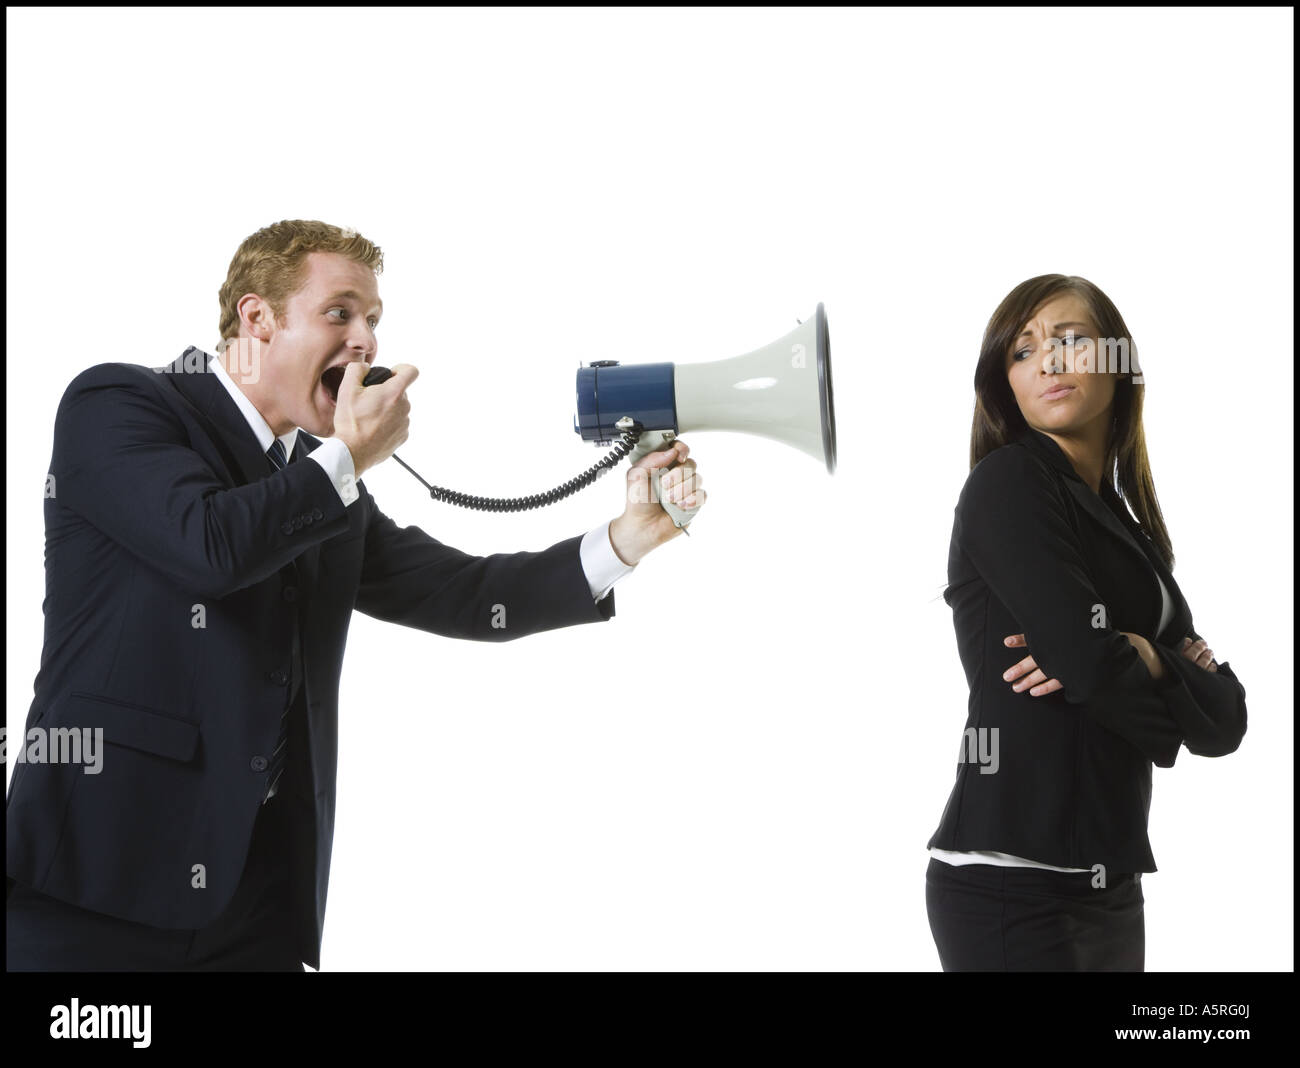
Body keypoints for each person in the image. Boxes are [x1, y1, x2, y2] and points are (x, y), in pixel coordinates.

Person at [5, 219, 706, 971]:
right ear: (257, 319)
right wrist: (346, 459)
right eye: (340, 313)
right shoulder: (121, 405)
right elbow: (209, 547)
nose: (366, 341)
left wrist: (626, 539)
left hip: (256, 900)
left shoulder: (321, 479)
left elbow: (459, 591)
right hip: (95, 887)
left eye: (373, 320)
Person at [924, 275, 1246, 971]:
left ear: (1116, 361)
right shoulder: (1009, 482)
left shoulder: (1135, 536)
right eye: (1022, 350)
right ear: (1004, 383)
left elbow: (1226, 722)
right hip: (1010, 883)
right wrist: (1134, 669)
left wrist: (1143, 657)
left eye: (1071, 341)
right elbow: (1089, 664)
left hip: (1108, 882)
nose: (1048, 362)